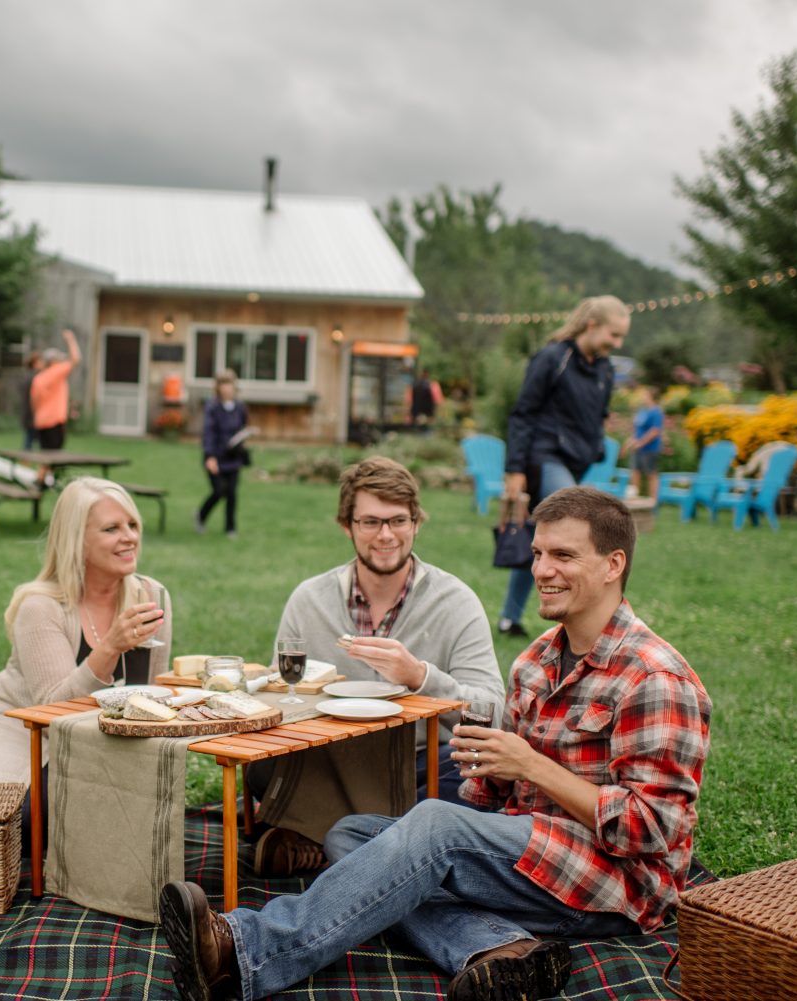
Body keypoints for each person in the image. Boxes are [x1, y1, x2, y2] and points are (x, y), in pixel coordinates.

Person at [159, 486, 711, 1001]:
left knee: (431, 829)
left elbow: (653, 831)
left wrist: (529, 767)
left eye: (563, 556)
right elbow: (501, 801)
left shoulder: (654, 678)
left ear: (613, 565)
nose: (542, 570)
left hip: (615, 885)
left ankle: (245, 951)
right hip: (534, 858)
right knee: (352, 835)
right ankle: (499, 949)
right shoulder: (536, 661)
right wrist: (491, 775)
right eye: (538, 554)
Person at [245, 456, 504, 876]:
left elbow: (494, 711)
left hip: (418, 763)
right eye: (370, 522)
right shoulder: (309, 599)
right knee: (260, 766)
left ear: (417, 523)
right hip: (328, 761)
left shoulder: (456, 602)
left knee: (471, 775)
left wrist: (420, 677)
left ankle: (319, 839)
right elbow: (282, 694)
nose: (385, 535)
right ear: (346, 526)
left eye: (398, 520)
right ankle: (387, 848)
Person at [0, 478, 172, 839]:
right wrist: (110, 648)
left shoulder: (152, 596)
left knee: (122, 820)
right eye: (112, 529)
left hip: (96, 747)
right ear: (76, 540)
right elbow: (51, 713)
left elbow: (153, 696)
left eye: (132, 525)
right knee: (13, 825)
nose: (130, 537)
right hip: (20, 740)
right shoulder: (41, 607)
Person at [497, 295, 629, 637]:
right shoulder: (553, 357)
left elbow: (599, 414)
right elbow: (523, 413)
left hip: (577, 461)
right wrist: (515, 469)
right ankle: (588, 618)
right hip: (545, 456)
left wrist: (597, 443)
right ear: (592, 325)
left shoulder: (604, 368)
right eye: (614, 335)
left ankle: (509, 617)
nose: (618, 344)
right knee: (577, 528)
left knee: (545, 539)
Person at [195, 369, 249, 538]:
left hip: (233, 457)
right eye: (223, 384)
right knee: (219, 491)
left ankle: (230, 528)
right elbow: (208, 433)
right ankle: (200, 515)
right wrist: (210, 456)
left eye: (229, 384)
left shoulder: (240, 407)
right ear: (218, 387)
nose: (227, 388)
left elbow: (242, 428)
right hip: (216, 457)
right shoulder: (213, 407)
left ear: (234, 386)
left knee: (232, 494)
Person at [31, 328, 82, 482]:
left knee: (46, 453)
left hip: (41, 420)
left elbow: (34, 402)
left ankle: (42, 480)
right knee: (54, 455)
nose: (62, 361)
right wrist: (71, 339)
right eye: (59, 359)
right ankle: (43, 481)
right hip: (54, 420)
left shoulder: (39, 378)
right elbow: (76, 359)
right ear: (53, 361)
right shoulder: (56, 372)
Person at [621, 385, 663, 498]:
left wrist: (641, 443)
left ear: (651, 396)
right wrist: (627, 445)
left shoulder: (656, 412)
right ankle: (634, 497)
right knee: (635, 472)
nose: (643, 397)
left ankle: (653, 500)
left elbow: (655, 431)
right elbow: (637, 431)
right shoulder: (643, 411)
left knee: (651, 473)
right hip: (637, 448)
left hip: (650, 448)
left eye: (645, 395)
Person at [20, 351, 45, 450]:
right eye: (41, 361)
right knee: (30, 440)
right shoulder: (35, 377)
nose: (43, 363)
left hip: (32, 414)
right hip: (32, 414)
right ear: (35, 363)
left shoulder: (31, 375)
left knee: (31, 439)